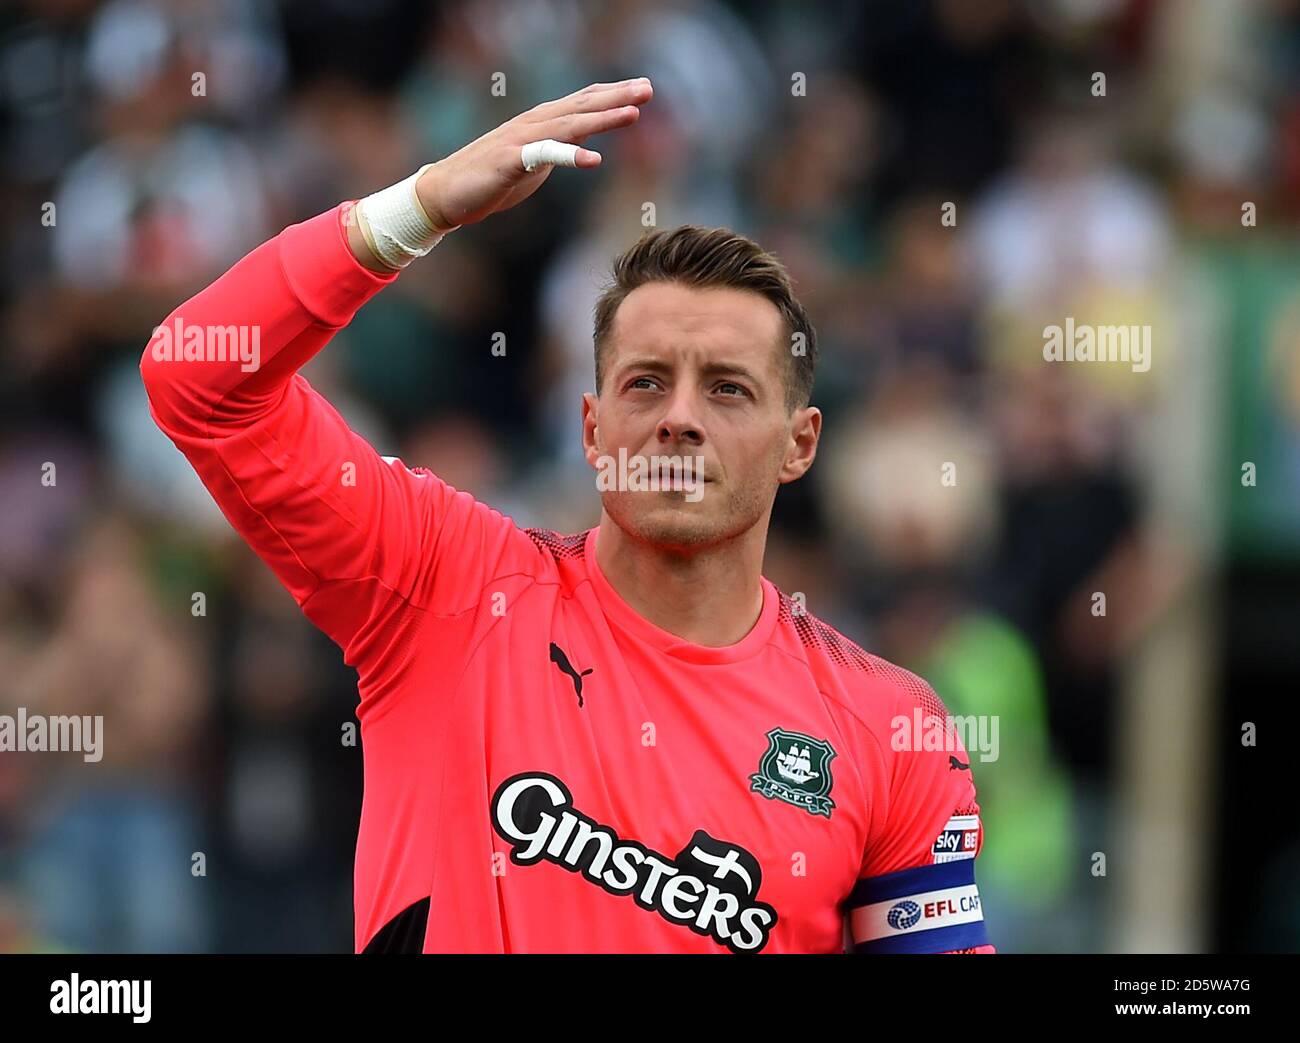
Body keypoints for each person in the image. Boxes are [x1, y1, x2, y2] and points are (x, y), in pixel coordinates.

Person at [140, 77, 993, 953]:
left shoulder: (888, 727)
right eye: (647, 382)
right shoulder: (451, 586)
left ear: (798, 443)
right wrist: (417, 208)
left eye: (729, 389)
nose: (681, 417)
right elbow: (200, 379)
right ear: (592, 427)